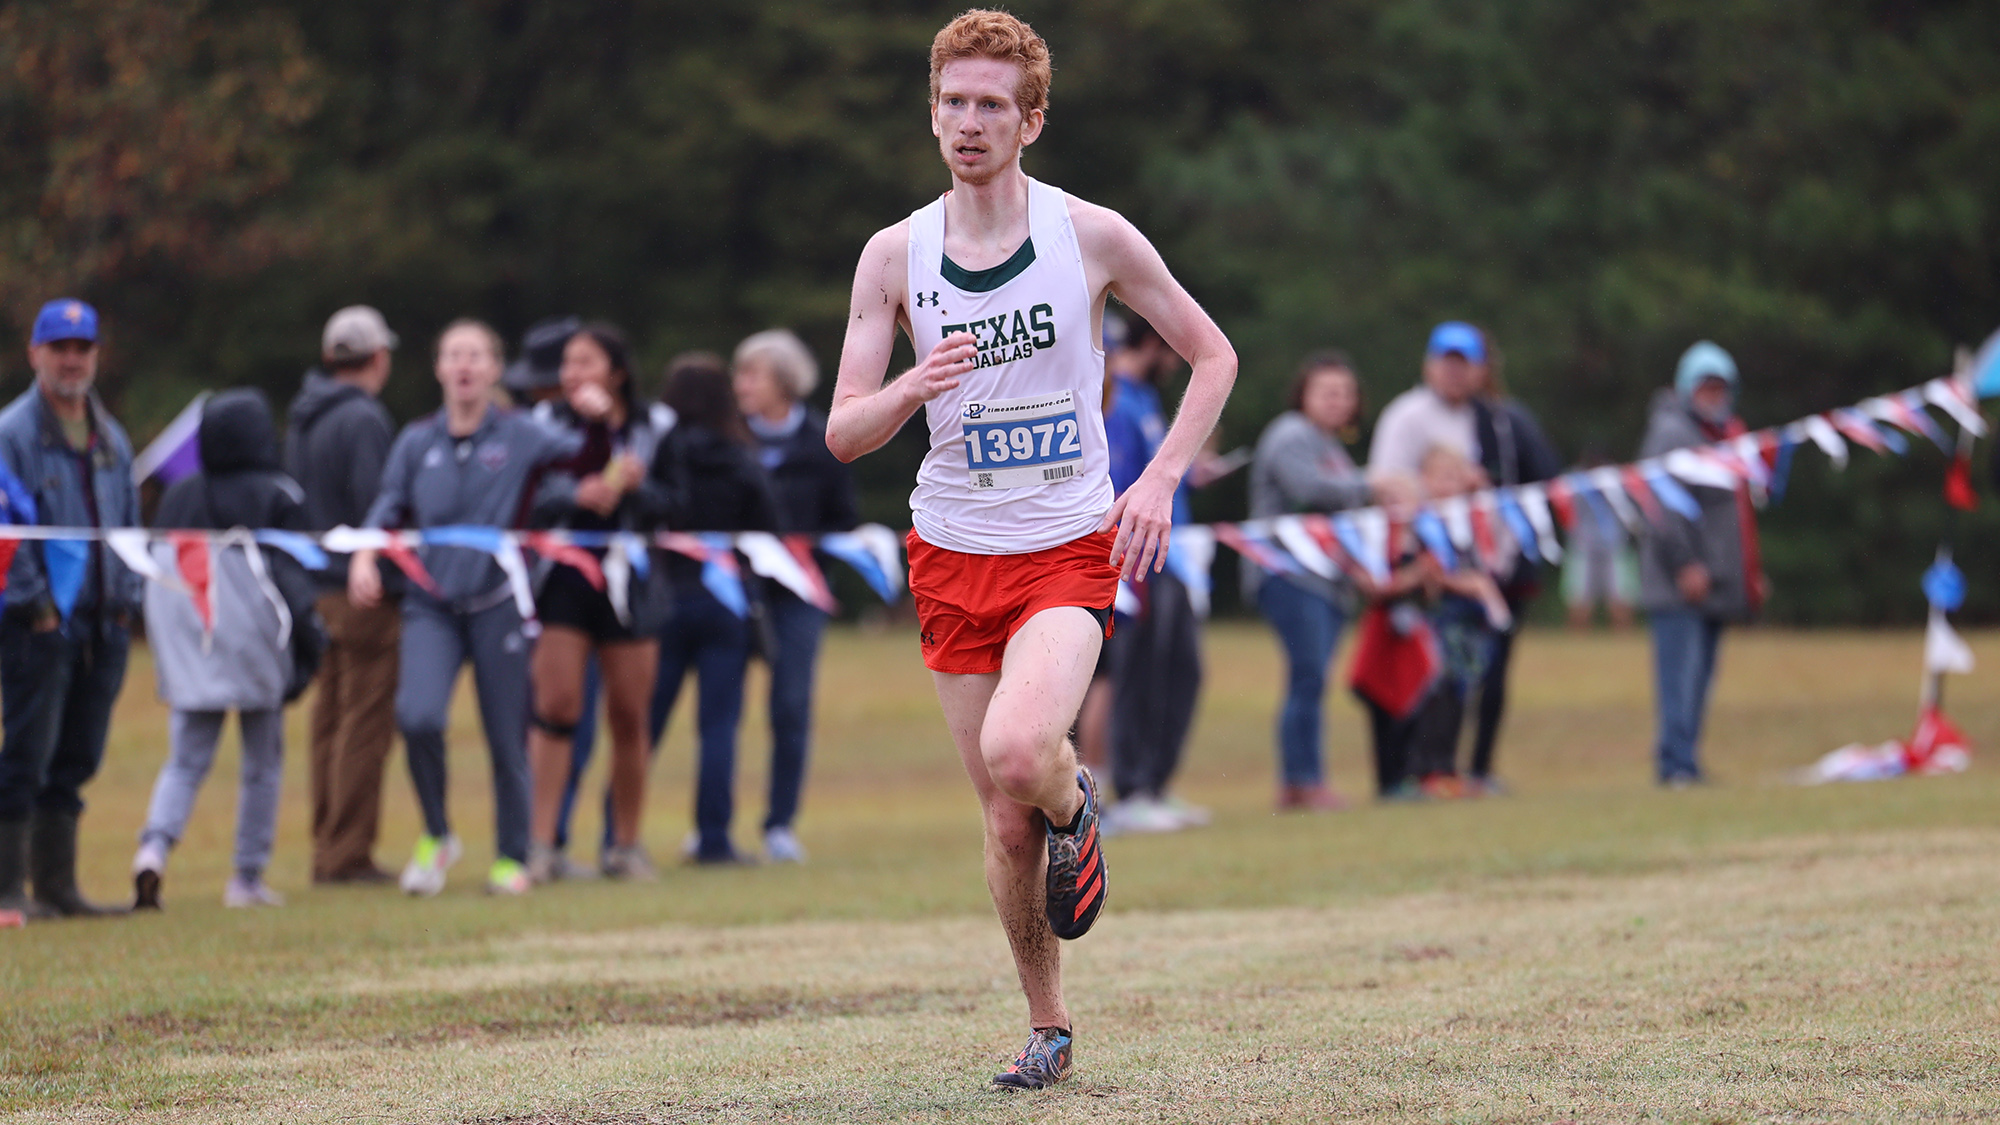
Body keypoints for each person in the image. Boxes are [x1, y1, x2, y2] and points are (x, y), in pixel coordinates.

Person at [824, 10, 1236, 1090]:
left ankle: (1076, 801)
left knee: (1021, 753)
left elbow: (1212, 355)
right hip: (950, 551)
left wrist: (1158, 478)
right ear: (931, 114)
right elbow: (843, 431)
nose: (969, 123)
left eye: (992, 106)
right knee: (1007, 826)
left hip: (1065, 542)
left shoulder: (1088, 234)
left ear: (1031, 121)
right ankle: (1049, 1026)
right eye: (953, 103)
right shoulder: (893, 255)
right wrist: (911, 387)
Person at [351, 319, 581, 896]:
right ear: (438, 368)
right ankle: (437, 834)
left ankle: (510, 858)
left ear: (494, 369)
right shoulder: (416, 441)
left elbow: (584, 458)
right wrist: (364, 555)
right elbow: (387, 506)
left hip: (497, 602)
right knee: (418, 717)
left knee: (506, 736)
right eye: (453, 354)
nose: (464, 365)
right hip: (430, 604)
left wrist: (598, 418)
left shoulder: (520, 434)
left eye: (476, 355)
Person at [132, 389, 323, 909]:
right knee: (262, 763)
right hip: (256, 646)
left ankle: (153, 848)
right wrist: (310, 645)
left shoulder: (178, 496)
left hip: (194, 645)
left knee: (185, 760)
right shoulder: (277, 494)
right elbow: (291, 579)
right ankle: (246, 877)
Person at [0, 299, 141, 920]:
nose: (71, 360)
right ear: (35, 353)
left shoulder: (112, 437)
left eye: (82, 349)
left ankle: (58, 887)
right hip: (38, 625)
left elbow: (128, 526)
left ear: (96, 356)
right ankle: (7, 888)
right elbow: (6, 532)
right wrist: (37, 608)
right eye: (59, 348)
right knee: (27, 754)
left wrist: (127, 602)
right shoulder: (12, 435)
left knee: (79, 755)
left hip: (105, 622)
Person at [525, 323, 667, 883]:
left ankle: (625, 846)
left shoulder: (654, 426)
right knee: (556, 707)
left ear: (617, 372)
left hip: (631, 582)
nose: (571, 374)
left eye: (584, 362)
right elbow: (528, 494)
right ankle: (541, 846)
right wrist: (574, 494)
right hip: (562, 578)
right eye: (566, 363)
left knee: (630, 716)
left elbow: (678, 502)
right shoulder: (543, 424)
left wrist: (637, 487)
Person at [286, 304, 402, 885]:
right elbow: (375, 504)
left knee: (329, 722)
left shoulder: (303, 416)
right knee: (364, 725)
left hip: (314, 589)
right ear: (379, 358)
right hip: (362, 593)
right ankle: (347, 853)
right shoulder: (364, 419)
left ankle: (326, 844)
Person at [731, 328, 858, 863]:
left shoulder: (822, 441)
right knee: (720, 706)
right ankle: (711, 830)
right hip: (731, 589)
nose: (740, 385)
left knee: (789, 706)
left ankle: (779, 825)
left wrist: (810, 565)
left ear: (783, 381)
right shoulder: (728, 437)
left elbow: (843, 519)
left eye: (751, 374)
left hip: (800, 597)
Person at [648, 353, 778, 864]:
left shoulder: (660, 453)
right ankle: (714, 838)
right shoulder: (740, 456)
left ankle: (619, 834)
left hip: (666, 600)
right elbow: (770, 524)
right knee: (719, 726)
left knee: (643, 725)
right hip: (725, 601)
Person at [1099, 316, 1219, 833]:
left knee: (1182, 670)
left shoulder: (1146, 398)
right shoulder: (1114, 402)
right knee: (1139, 673)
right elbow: (1117, 482)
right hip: (1138, 560)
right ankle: (1131, 790)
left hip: (1177, 555)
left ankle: (1156, 784)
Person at [1246, 352, 1374, 810]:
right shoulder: (1291, 434)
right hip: (1290, 574)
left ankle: (1306, 780)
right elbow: (1309, 489)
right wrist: (1373, 484)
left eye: (1346, 393)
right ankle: (1301, 782)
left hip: (1325, 581)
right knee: (1308, 676)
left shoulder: (1329, 445)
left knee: (1312, 679)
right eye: (1327, 392)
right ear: (1304, 394)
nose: (1338, 401)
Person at [1637, 341, 1763, 787]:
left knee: (1700, 680)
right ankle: (1675, 765)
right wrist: (1686, 564)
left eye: (1720, 387)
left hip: (1717, 583)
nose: (1713, 395)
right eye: (1705, 387)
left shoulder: (1723, 435)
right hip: (1679, 584)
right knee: (1680, 678)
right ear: (1686, 387)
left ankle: (1686, 761)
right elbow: (1662, 508)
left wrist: (1747, 572)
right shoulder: (1671, 432)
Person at [1463, 328, 1561, 794]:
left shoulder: (1510, 419)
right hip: (1451, 565)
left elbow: (1549, 478)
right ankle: (1433, 768)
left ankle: (1480, 767)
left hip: (1506, 566)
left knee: (1495, 668)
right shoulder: (1424, 415)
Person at [1367, 322, 1487, 481]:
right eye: (1448, 365)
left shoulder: (1492, 418)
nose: (1455, 373)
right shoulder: (1406, 414)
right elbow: (1385, 478)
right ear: (1428, 366)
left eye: (1462, 365)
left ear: (1480, 371)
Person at [1562, 448, 1638, 630]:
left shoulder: (1617, 479)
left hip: (1614, 544)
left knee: (1621, 595)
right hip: (1582, 545)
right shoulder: (1573, 481)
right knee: (1579, 596)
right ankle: (1577, 639)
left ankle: (1623, 638)